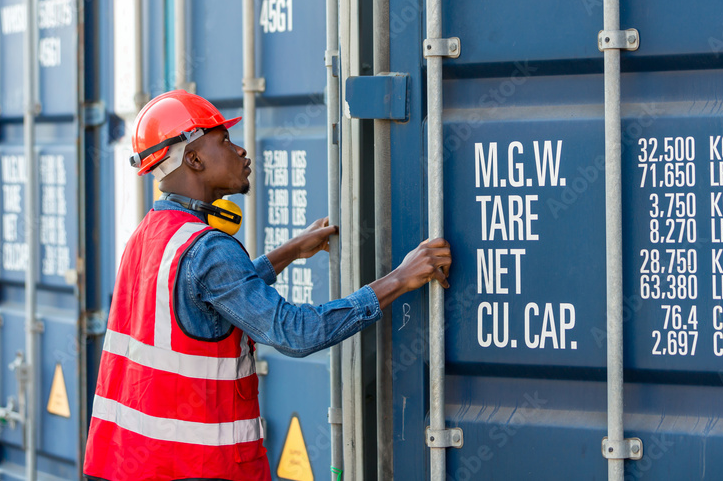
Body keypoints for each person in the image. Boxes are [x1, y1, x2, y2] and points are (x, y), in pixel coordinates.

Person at [83, 90, 452, 481]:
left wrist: (288, 252)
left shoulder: (151, 234)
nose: (241, 151)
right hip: (196, 468)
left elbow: (209, 300)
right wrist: (400, 278)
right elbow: (295, 333)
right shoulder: (208, 249)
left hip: (127, 465)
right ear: (194, 159)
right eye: (225, 141)